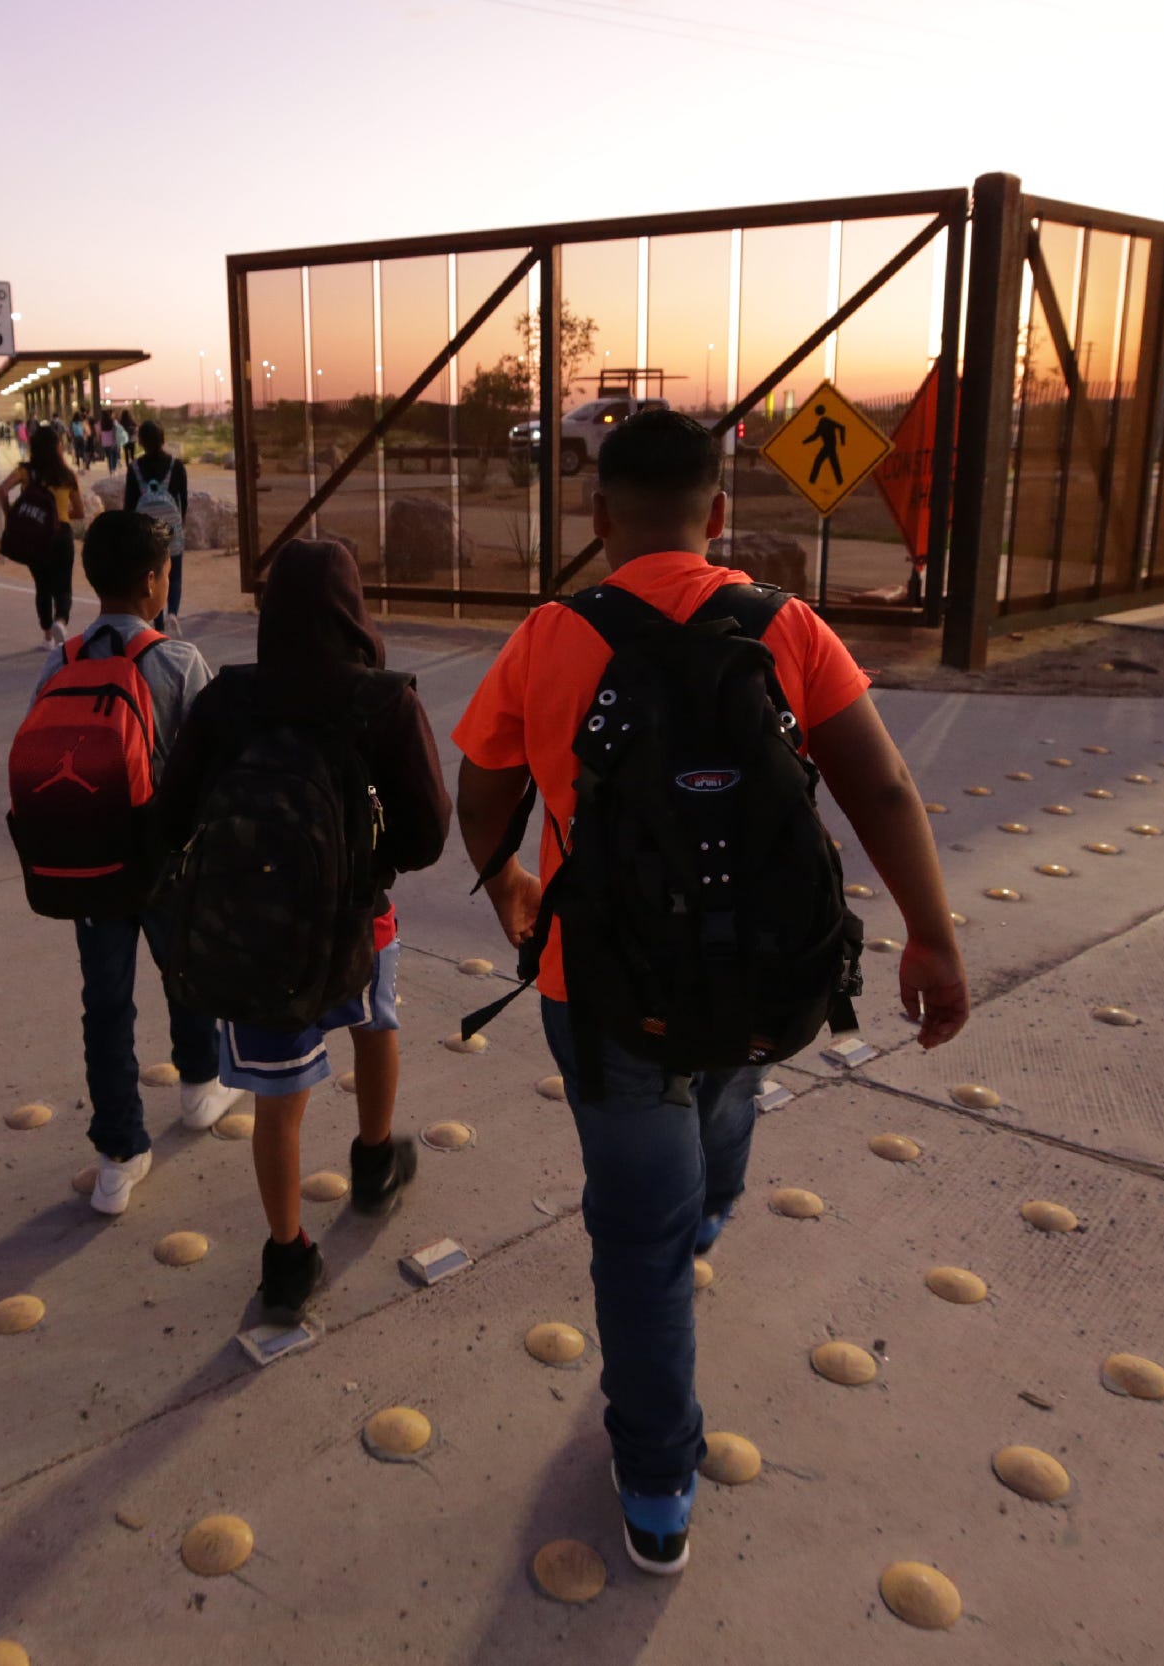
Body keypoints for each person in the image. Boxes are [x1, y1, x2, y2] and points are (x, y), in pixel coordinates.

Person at [449, 409, 969, 1577]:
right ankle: (713, 1204)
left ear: (597, 518)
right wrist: (931, 937)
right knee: (724, 1097)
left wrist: (509, 888)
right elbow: (880, 785)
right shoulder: (786, 624)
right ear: (719, 512)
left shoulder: (547, 635)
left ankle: (657, 1481)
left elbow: (480, 798)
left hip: (605, 985)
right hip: (762, 972)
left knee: (637, 1247)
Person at [154, 540, 449, 1325]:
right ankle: (376, 1161)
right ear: (352, 610)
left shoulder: (226, 699)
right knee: (373, 1023)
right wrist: (362, 862)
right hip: (360, 919)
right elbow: (426, 835)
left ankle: (288, 1259)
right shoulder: (382, 699)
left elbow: (173, 817)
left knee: (280, 1100)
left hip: (254, 938)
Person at [36, 510, 238, 1215]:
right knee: (185, 971)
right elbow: (216, 768)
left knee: (106, 1004)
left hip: (87, 864)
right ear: (156, 580)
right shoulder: (177, 662)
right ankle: (200, 1087)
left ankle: (119, 1155)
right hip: (166, 860)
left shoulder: (61, 663)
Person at [0, 423, 91, 648]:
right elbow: (79, 512)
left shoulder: (26, 471)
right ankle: (61, 621)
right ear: (58, 447)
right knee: (63, 585)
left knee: (42, 585)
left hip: (36, 535)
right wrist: (61, 514)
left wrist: (12, 514)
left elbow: (2, 489)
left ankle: (47, 635)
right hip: (62, 533)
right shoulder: (67, 476)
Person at [126, 418, 194, 621]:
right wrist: (179, 524)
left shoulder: (135, 468)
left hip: (145, 531)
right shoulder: (176, 466)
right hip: (170, 528)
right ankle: (173, 611)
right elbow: (183, 500)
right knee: (174, 575)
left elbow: (129, 505)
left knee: (151, 575)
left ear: (141, 442)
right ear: (163, 439)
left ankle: (158, 620)